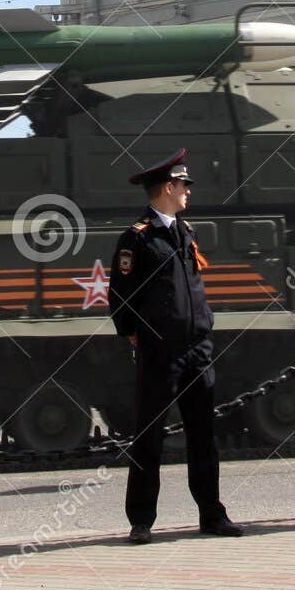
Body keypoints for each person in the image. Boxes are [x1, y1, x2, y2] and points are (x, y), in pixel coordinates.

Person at [107, 149, 242, 545]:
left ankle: (211, 514)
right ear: (168, 187)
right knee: (149, 436)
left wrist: (204, 327)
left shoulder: (186, 232)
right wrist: (136, 335)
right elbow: (121, 296)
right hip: (160, 351)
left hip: (197, 349)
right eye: (184, 185)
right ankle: (142, 519)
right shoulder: (138, 238)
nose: (188, 191)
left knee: (204, 436)